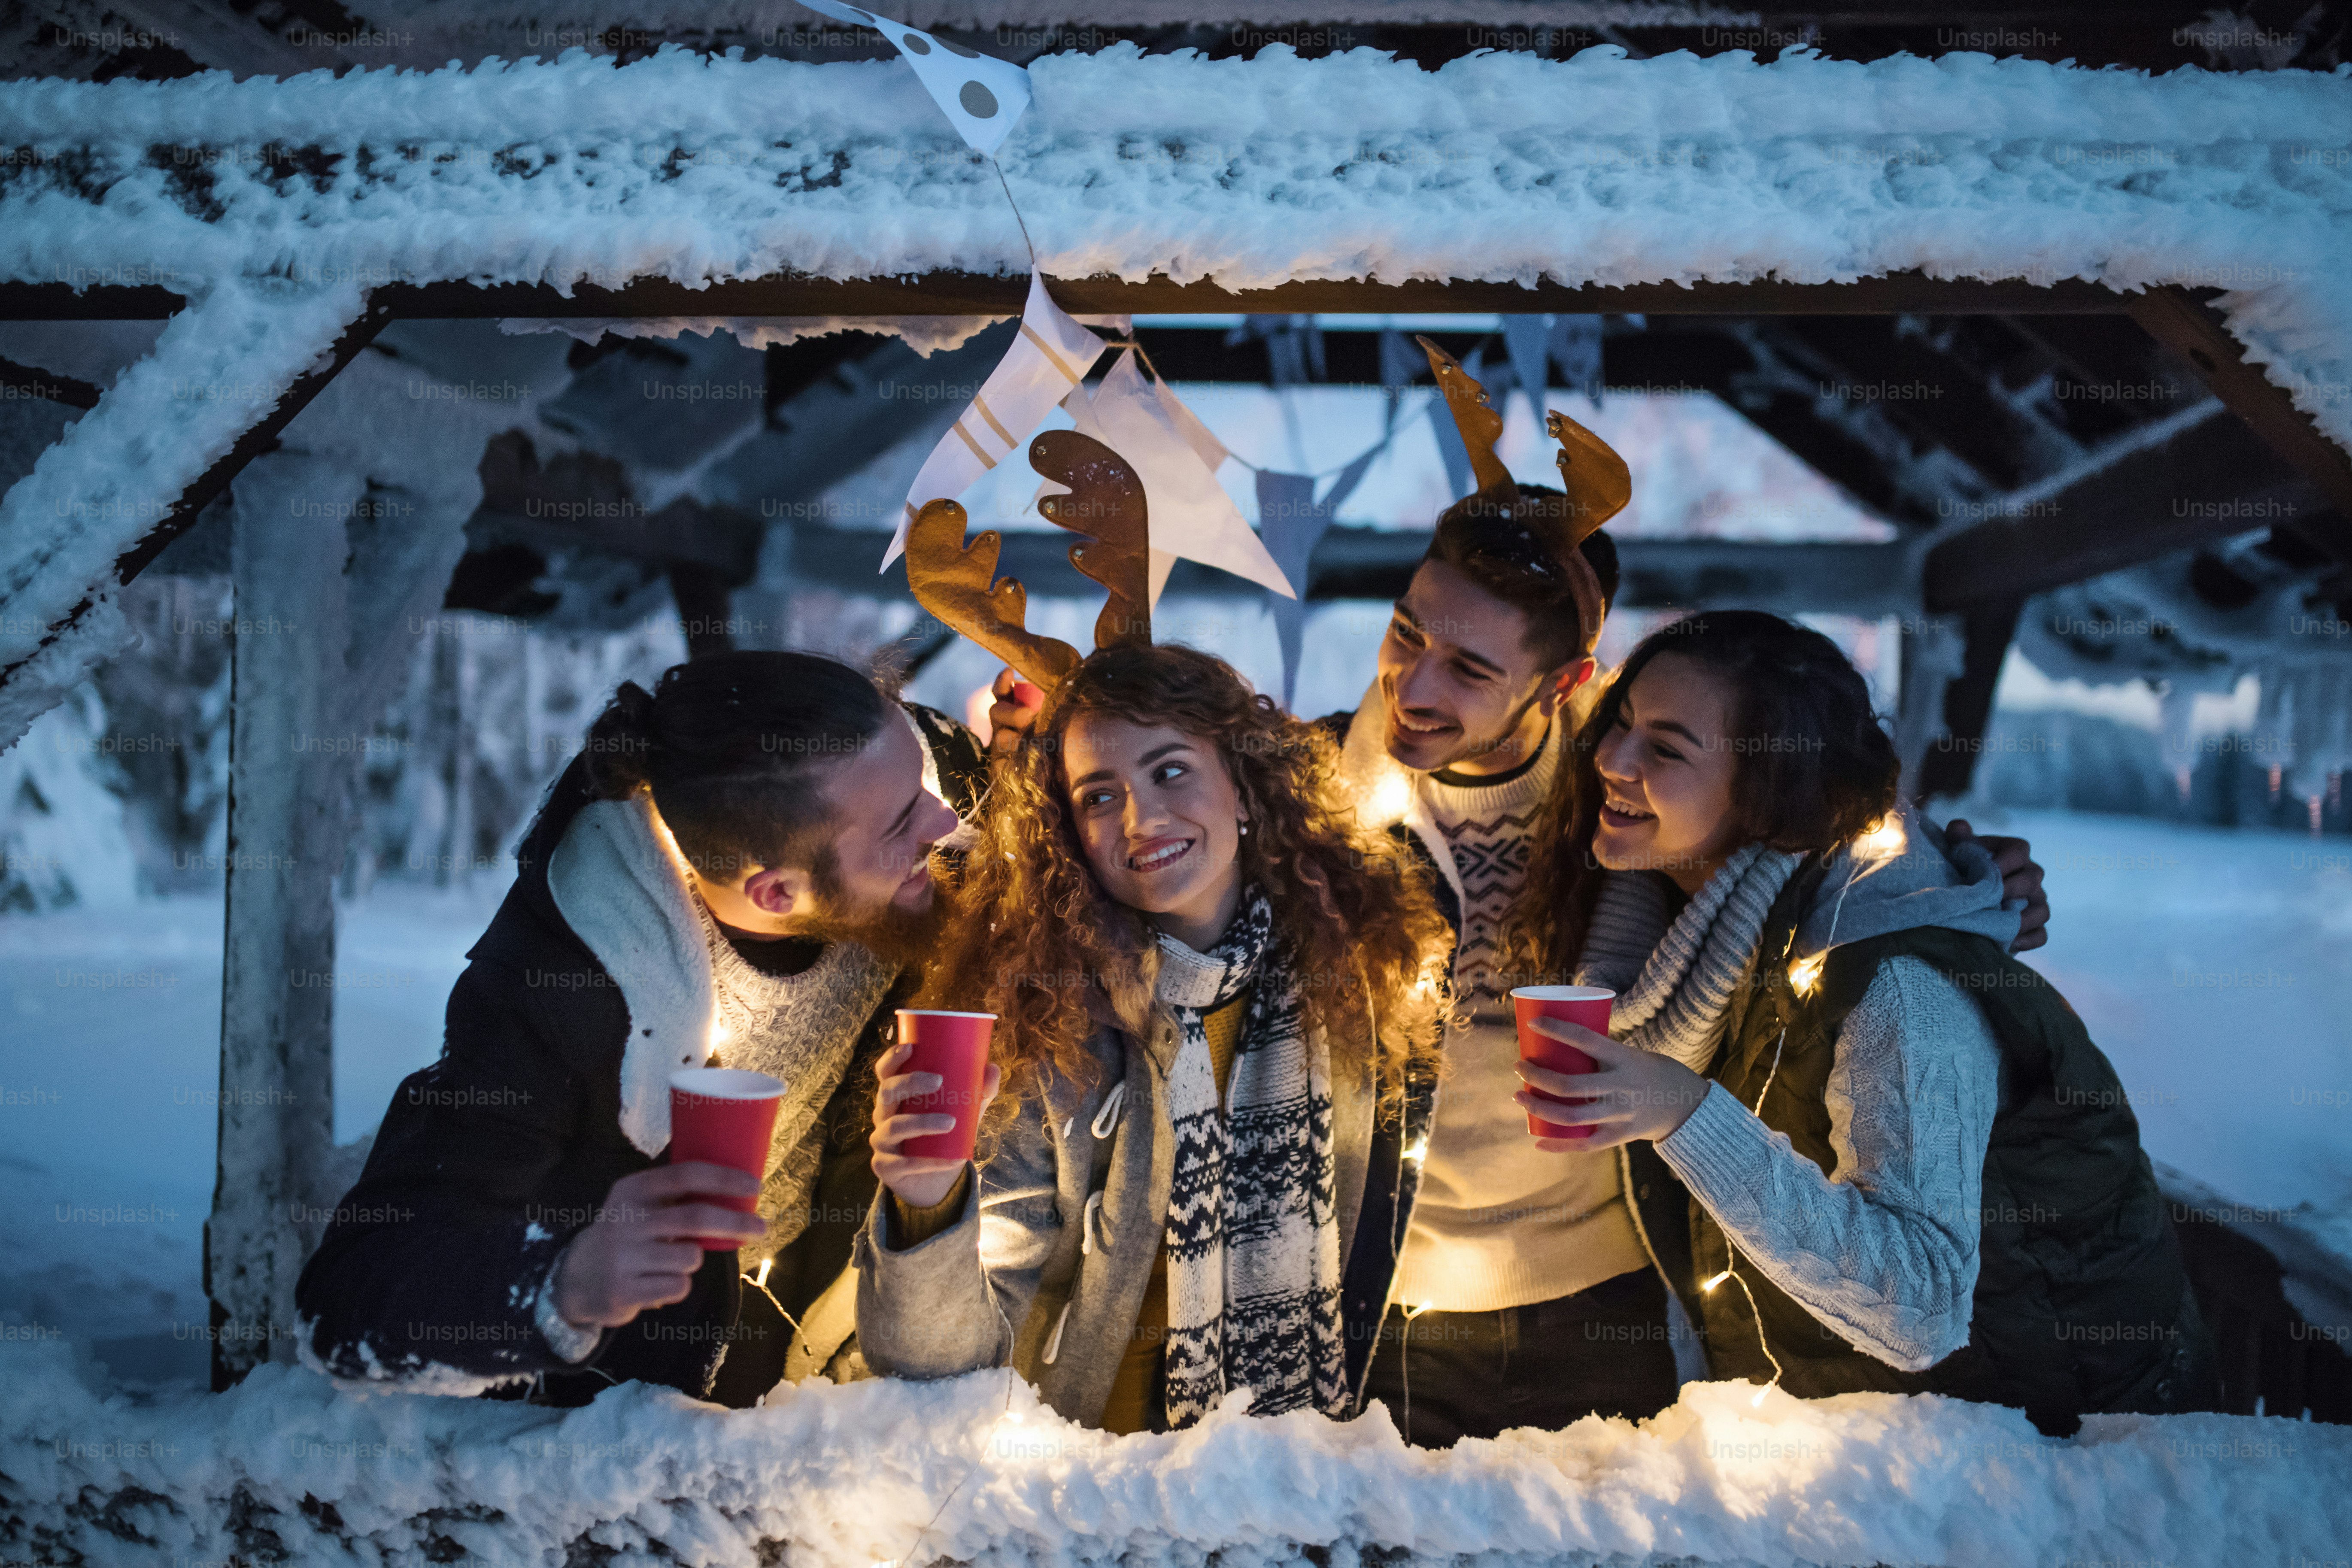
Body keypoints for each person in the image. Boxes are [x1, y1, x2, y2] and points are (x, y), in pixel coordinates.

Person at [1505, 611, 2217, 1435]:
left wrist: (1686, 1115)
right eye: (1620, 723)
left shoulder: (1898, 977)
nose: (1610, 759)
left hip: (2055, 1471)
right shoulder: (1685, 938)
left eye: (1666, 748)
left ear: (1773, 792)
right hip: (1871, 1455)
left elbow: (1922, 1304)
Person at [296, 650, 989, 1406]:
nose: (945, 820)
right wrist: (562, 1286)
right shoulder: (557, 993)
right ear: (777, 891)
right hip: (642, 1413)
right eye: (900, 822)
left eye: (919, 777)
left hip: (822, 1362)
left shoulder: (879, 778)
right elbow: (347, 1302)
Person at [854, 643, 1450, 1432]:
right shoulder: (1045, 1022)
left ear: (1242, 785)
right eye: (1100, 797)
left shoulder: (1359, 987)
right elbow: (936, 1372)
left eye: (1171, 771)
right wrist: (925, 1204)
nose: (1141, 819)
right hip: (1090, 1484)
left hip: (1297, 1470)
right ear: (1070, 832)